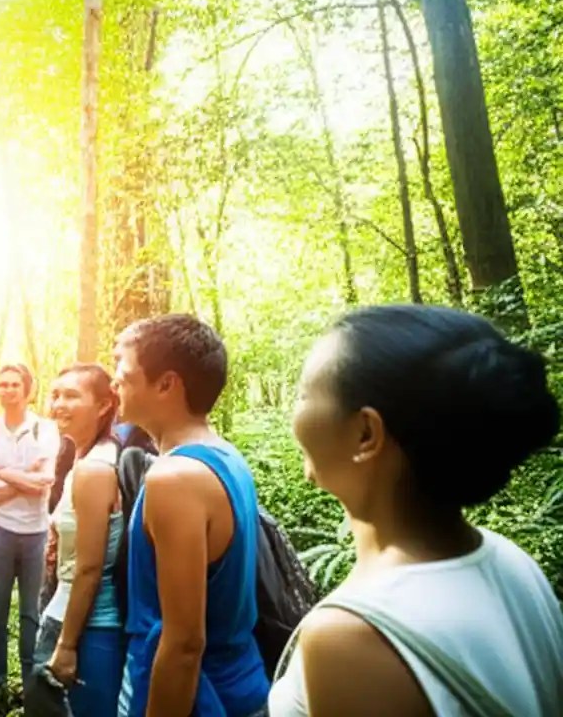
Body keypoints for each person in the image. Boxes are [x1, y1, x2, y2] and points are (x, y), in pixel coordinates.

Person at [269, 305, 563, 716]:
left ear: (366, 433)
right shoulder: (512, 562)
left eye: (303, 394)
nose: (295, 411)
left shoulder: (352, 635)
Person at [112, 314, 269, 717]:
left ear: (167, 384)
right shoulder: (225, 455)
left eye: (123, 373)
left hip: (203, 698)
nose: (114, 382)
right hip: (241, 680)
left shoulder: (175, 479)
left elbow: (184, 644)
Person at [26, 364, 125, 716]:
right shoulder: (82, 458)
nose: (58, 404)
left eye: (71, 396)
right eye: (55, 395)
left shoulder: (95, 468)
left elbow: (90, 568)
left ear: (104, 405)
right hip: (69, 615)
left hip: (90, 628)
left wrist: (67, 645)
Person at [0, 363, 61, 715]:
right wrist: (24, 478)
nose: (7, 390)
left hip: (35, 533)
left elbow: (46, 481)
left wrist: (2, 473)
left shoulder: (44, 429)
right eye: (2, 384)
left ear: (28, 390)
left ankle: (31, 687)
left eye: (14, 384)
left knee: (31, 614)